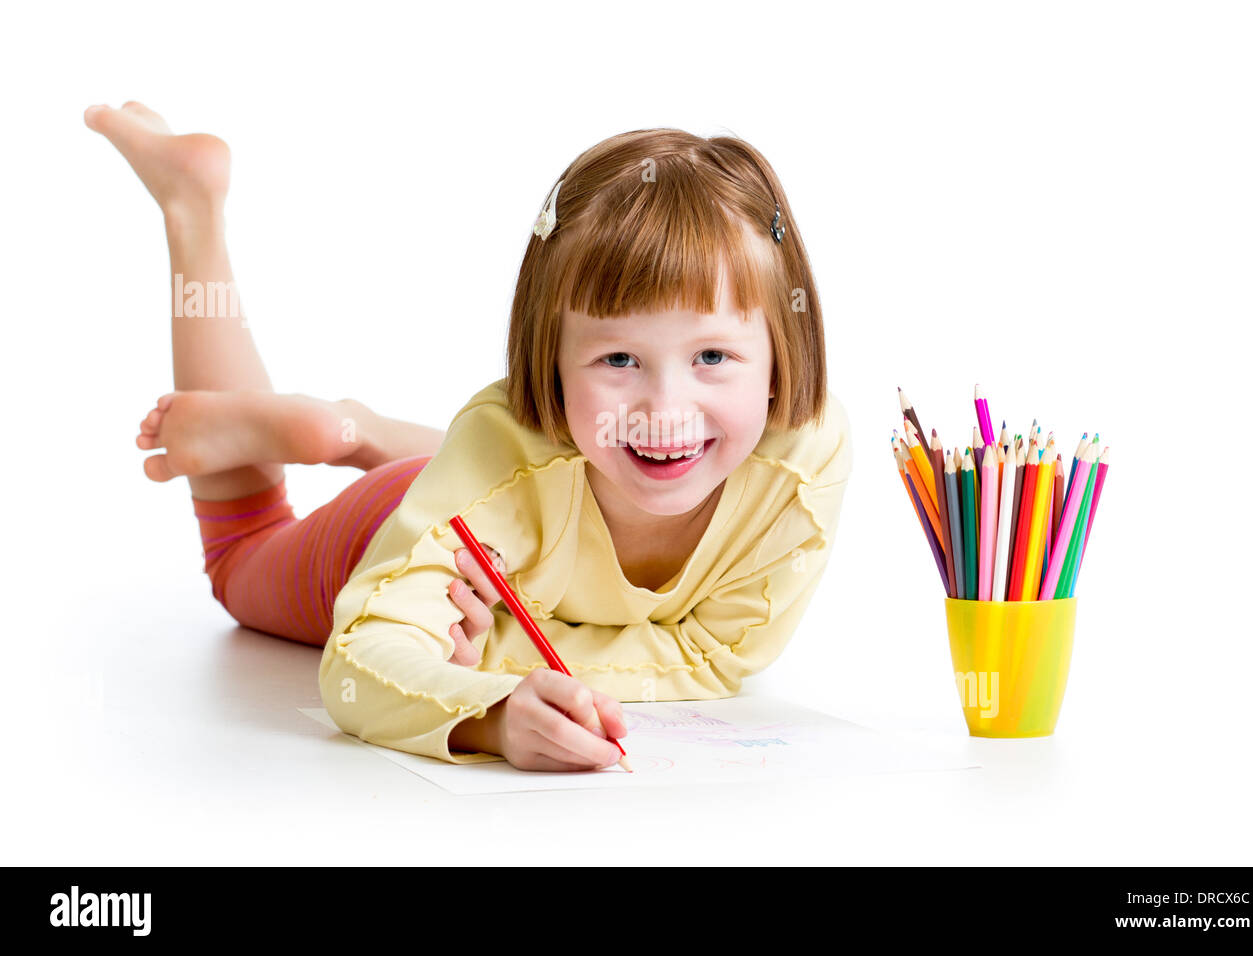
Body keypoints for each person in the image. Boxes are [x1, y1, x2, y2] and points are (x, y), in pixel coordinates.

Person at [85, 101, 852, 773]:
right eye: (619, 358)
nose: (665, 409)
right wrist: (486, 716)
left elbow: (719, 660)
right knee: (243, 556)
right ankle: (193, 208)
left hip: (495, 488)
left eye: (712, 357)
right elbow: (359, 662)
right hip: (408, 519)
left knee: (507, 462)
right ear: (547, 366)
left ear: (784, 358)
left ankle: (362, 432)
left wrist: (496, 649)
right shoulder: (503, 458)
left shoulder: (804, 459)